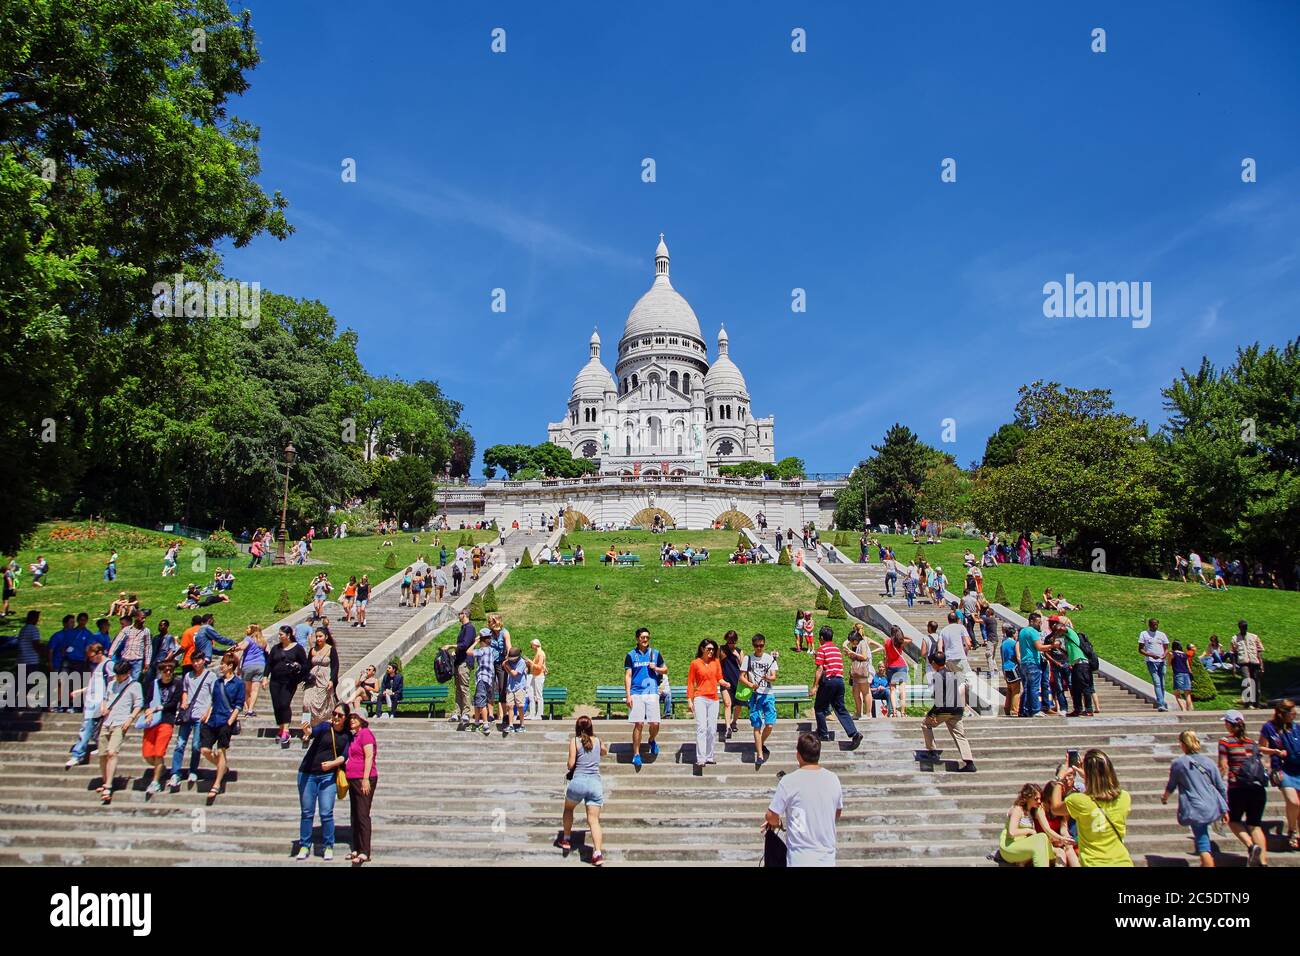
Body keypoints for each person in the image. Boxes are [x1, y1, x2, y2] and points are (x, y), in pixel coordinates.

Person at [765, 732, 843, 867]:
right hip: (827, 858)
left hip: (799, 858)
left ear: (798, 755)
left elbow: (771, 815)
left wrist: (778, 823)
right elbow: (837, 812)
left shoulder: (789, 781)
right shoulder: (833, 779)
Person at [1048, 749, 1132, 867]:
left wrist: (1060, 778)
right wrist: (1089, 777)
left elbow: (1055, 808)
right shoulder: (1124, 797)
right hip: (1123, 862)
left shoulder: (1079, 801)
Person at [1161, 730, 1228, 867]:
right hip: (1210, 805)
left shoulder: (1179, 763)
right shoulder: (1208, 762)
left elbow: (1171, 785)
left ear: (1183, 744)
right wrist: (1225, 809)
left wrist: (1165, 798)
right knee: (1203, 836)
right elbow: (1220, 786)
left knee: (1203, 846)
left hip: (1194, 806)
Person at [297, 703, 351, 861]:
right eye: (334, 714)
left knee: (326, 812)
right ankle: (304, 845)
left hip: (328, 776)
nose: (335, 717)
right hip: (307, 773)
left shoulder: (347, 736)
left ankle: (328, 845)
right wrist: (307, 731)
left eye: (339, 715)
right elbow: (312, 732)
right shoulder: (325, 727)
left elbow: (345, 756)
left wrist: (332, 764)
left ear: (345, 718)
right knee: (307, 812)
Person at [1218, 709, 1269, 866]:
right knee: (1255, 825)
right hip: (1258, 789)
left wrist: (1217, 782)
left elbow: (1223, 766)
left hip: (1238, 788)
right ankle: (1263, 863)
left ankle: (1251, 846)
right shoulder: (1252, 743)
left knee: (1234, 821)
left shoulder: (1225, 742)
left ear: (1229, 724)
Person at [916, 652, 976, 772]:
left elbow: (939, 700)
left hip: (945, 710)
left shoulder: (938, 676)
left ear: (934, 663)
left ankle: (932, 751)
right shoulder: (951, 674)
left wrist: (931, 714)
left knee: (925, 724)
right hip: (957, 709)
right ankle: (969, 762)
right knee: (960, 735)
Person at [560, 715, 607, 866]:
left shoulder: (575, 741)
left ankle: (566, 839)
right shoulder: (598, 740)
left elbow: (570, 764)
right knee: (594, 821)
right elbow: (604, 752)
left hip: (578, 781)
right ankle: (598, 852)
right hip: (595, 783)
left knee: (568, 809)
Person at [95, 661, 144, 804]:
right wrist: (103, 707)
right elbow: (105, 698)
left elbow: (138, 704)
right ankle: (105, 782)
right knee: (102, 754)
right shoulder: (112, 684)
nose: (117, 677)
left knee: (112, 752)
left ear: (127, 673)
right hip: (107, 721)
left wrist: (130, 719)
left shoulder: (135, 685)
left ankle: (108, 786)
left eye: (120, 674)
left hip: (120, 722)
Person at [200, 651, 244, 801]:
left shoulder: (238, 683)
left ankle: (217, 784)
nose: (221, 666)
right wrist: (207, 714)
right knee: (205, 750)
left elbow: (238, 705)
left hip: (226, 721)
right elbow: (213, 701)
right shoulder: (218, 682)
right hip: (212, 720)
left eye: (223, 664)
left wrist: (230, 722)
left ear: (230, 666)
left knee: (220, 751)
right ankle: (222, 767)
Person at [1259, 699, 1300, 851]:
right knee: (1294, 802)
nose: (1294, 714)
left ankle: (1296, 835)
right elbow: (1261, 747)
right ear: (1282, 713)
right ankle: (1292, 830)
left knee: (1299, 804)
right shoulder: (1269, 728)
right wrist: (1275, 751)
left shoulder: (1296, 727)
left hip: (1298, 768)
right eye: (1291, 712)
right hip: (1282, 769)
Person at [812, 626, 862, 748]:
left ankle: (823, 734)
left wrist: (814, 686)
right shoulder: (836, 650)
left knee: (819, 707)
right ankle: (854, 733)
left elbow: (820, 669)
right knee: (840, 708)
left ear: (822, 638)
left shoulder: (821, 649)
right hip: (839, 681)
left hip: (828, 681)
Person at [168, 654, 212, 790]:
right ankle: (175, 773)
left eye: (198, 661)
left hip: (201, 715)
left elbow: (213, 695)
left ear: (203, 661)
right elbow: (185, 690)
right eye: (193, 661)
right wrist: (184, 701)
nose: (196, 664)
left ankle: (193, 770)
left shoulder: (211, 676)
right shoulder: (188, 676)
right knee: (180, 744)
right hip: (188, 714)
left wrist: (208, 711)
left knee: (196, 745)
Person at [624, 627, 666, 769]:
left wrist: (656, 668)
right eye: (642, 637)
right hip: (637, 692)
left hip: (652, 691)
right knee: (639, 724)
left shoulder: (655, 653)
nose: (645, 639)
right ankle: (636, 754)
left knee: (655, 723)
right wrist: (628, 695)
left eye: (647, 637)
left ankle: (652, 739)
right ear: (637, 639)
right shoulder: (630, 655)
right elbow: (628, 676)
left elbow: (665, 669)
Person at [140, 659, 183, 796]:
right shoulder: (154, 684)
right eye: (165, 671)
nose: (168, 673)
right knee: (147, 754)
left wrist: (158, 708)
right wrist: (147, 711)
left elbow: (173, 703)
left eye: (171, 671)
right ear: (161, 672)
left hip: (166, 720)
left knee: (159, 753)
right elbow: (147, 700)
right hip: (152, 721)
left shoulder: (177, 684)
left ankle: (156, 782)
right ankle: (161, 768)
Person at [65, 643, 111, 768]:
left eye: (92, 656)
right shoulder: (98, 666)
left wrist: (106, 702)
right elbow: (94, 685)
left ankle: (77, 755)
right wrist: (80, 691)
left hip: (99, 703)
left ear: (100, 653)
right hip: (92, 702)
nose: (90, 659)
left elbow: (112, 685)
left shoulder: (108, 665)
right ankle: (100, 746)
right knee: (94, 729)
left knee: (86, 728)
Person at [687, 638, 728, 774]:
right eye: (708, 649)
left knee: (712, 728)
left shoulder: (715, 662)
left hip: (714, 699)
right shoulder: (695, 663)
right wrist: (689, 699)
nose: (711, 651)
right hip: (700, 698)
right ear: (702, 649)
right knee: (701, 727)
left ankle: (710, 756)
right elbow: (690, 682)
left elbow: (719, 678)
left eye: (713, 649)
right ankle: (701, 758)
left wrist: (725, 683)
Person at [740, 633, 780, 769]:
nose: (759, 648)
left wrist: (767, 678)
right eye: (757, 646)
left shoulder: (769, 658)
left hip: (768, 694)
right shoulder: (748, 659)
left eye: (761, 646)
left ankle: (760, 743)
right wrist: (751, 685)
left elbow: (774, 676)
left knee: (769, 725)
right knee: (757, 725)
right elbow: (741, 677)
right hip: (755, 695)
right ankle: (760, 755)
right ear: (753, 645)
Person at [265, 626, 309, 747]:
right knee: (277, 705)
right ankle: (280, 727)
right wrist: (265, 677)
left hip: (289, 681)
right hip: (275, 681)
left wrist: (297, 668)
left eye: (281, 635)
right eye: (279, 635)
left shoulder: (298, 648)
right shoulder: (275, 648)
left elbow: (305, 664)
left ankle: (286, 730)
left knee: (284, 703)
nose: (279, 637)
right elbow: (269, 663)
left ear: (288, 635)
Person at [345, 709, 379, 865]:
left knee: (363, 814)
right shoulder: (354, 736)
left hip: (364, 778)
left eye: (355, 718)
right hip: (353, 778)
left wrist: (365, 778)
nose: (352, 720)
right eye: (351, 718)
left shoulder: (365, 733)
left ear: (363, 720)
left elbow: (369, 756)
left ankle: (365, 851)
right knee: (355, 814)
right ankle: (356, 848)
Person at [998, 784, 1054, 867]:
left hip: (1022, 846)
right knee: (1042, 837)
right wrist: (1030, 830)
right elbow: (1012, 832)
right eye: (1036, 799)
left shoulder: (1031, 812)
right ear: (1027, 798)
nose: (1039, 801)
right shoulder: (1018, 809)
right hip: (1009, 847)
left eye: (1040, 798)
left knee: (1045, 840)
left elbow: (1046, 830)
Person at [302, 630, 340, 737]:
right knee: (306, 703)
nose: (318, 639)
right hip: (312, 681)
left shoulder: (331, 649)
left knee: (324, 705)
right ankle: (306, 728)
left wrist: (332, 680)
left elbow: (335, 666)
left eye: (320, 636)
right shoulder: (312, 650)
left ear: (326, 637)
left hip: (325, 680)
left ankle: (323, 728)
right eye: (317, 636)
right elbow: (307, 666)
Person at [442, 609, 476, 723]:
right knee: (458, 688)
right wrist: (455, 652)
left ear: (465, 615)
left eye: (460, 614)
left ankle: (466, 713)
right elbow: (461, 646)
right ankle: (457, 712)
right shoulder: (463, 628)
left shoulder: (470, 628)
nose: (459, 616)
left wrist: (451, 646)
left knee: (464, 687)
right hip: (459, 661)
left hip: (465, 662)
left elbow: (465, 644)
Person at [844, 623, 879, 719]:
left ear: (855, 640)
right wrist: (850, 654)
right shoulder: (858, 644)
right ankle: (859, 713)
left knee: (865, 691)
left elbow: (864, 657)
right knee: (855, 692)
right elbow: (857, 656)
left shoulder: (863, 643)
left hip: (864, 670)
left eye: (852, 641)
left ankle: (868, 713)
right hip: (858, 671)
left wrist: (851, 652)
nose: (851, 643)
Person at [1018, 612, 1050, 717]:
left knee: (1027, 687)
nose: (1039, 624)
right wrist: (1053, 646)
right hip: (1033, 662)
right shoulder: (1033, 632)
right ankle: (1035, 710)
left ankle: (1023, 710)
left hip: (1024, 662)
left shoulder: (1022, 631)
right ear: (1031, 621)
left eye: (1040, 622)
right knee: (1034, 687)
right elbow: (1039, 647)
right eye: (1038, 622)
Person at [1138, 618, 1171, 712]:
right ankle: (1161, 704)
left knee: (1163, 684)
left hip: (1161, 661)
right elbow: (1140, 649)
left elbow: (1166, 648)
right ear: (1149, 625)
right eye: (1153, 625)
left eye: (1156, 624)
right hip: (1151, 661)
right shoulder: (1144, 634)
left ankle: (1162, 702)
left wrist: (1164, 655)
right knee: (1157, 682)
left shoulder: (1162, 635)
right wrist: (1150, 655)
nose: (1155, 626)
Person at [470, 628, 498, 734]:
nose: (490, 639)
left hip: (482, 678)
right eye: (489, 638)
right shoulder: (491, 650)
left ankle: (485, 725)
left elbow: (468, 652)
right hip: (489, 679)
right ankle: (476, 723)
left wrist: (475, 642)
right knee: (478, 701)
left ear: (481, 639)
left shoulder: (481, 651)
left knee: (481, 702)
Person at [1232, 621, 1265, 706]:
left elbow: (1259, 652)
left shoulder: (1254, 637)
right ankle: (1247, 702)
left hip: (1255, 662)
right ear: (1239, 627)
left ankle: (1256, 702)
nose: (1244, 628)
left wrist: (1261, 665)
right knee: (1246, 681)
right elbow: (1234, 654)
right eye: (1242, 627)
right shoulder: (1235, 639)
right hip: (1243, 663)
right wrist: (1234, 667)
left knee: (1256, 683)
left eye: (1245, 627)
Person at [237, 624, 267, 717]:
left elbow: (242, 648)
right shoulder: (262, 641)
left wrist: (236, 648)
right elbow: (268, 652)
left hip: (248, 665)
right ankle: (251, 709)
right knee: (255, 690)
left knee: (247, 690)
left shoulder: (248, 639)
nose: (247, 630)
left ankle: (247, 708)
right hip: (260, 665)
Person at [719, 630, 743, 738]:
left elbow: (744, 667)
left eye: (732, 642)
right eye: (729, 641)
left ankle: (734, 722)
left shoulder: (740, 651)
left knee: (738, 704)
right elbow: (716, 663)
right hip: (725, 681)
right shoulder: (721, 650)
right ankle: (727, 727)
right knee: (727, 703)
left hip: (737, 681)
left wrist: (737, 656)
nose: (730, 644)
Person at [503, 648, 528, 732]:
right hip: (510, 686)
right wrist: (507, 666)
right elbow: (507, 669)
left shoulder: (522, 662)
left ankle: (522, 725)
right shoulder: (509, 661)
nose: (511, 660)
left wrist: (507, 666)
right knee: (509, 706)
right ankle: (510, 725)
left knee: (520, 706)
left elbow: (514, 674)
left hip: (519, 686)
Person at [999, 625, 1022, 717]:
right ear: (1013, 634)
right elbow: (1017, 656)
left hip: (1005, 668)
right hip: (1013, 667)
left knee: (1009, 689)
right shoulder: (1014, 643)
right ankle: (1014, 710)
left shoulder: (1003, 643)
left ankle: (1007, 708)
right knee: (1016, 690)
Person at [1169, 640, 1193, 712]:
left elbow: (1169, 664)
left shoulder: (1172, 653)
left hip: (1178, 674)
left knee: (1177, 693)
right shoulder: (1184, 654)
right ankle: (1190, 710)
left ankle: (1183, 709)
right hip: (1186, 674)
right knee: (1187, 693)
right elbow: (1188, 666)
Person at [527, 639, 547, 721]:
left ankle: (539, 714)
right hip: (535, 676)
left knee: (539, 696)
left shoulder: (540, 653)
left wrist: (530, 662)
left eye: (532, 645)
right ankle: (532, 713)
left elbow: (539, 667)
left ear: (535, 645)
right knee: (532, 695)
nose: (531, 647)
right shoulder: (538, 653)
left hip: (539, 676)